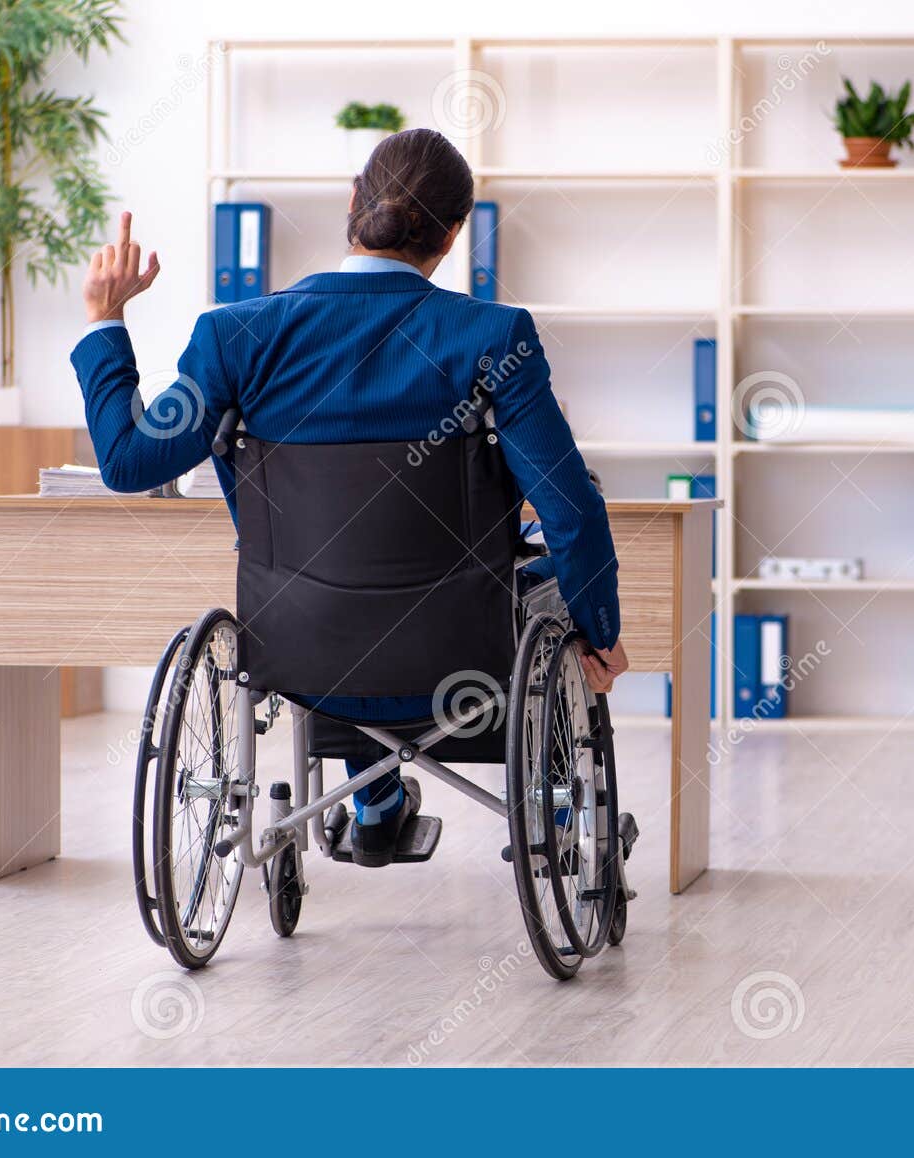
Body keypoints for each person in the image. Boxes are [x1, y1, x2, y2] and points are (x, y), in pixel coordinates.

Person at [71, 128, 628, 866]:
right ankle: (549, 807)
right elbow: (568, 509)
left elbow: (129, 458)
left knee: (340, 590)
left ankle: (373, 799)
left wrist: (107, 322)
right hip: (459, 645)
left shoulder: (235, 336)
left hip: (300, 641)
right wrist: (601, 632)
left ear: (353, 203)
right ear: (454, 234)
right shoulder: (494, 336)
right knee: (548, 588)